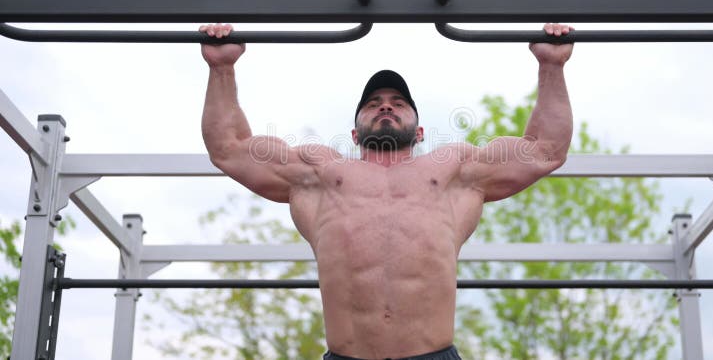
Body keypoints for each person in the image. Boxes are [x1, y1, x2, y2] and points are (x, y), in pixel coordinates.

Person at [199, 23, 574, 360]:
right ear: (354, 131)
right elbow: (229, 148)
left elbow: (544, 149)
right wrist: (222, 68)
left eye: (398, 104)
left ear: (421, 130)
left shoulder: (454, 172)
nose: (385, 108)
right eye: (374, 104)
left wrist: (551, 66)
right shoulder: (319, 173)